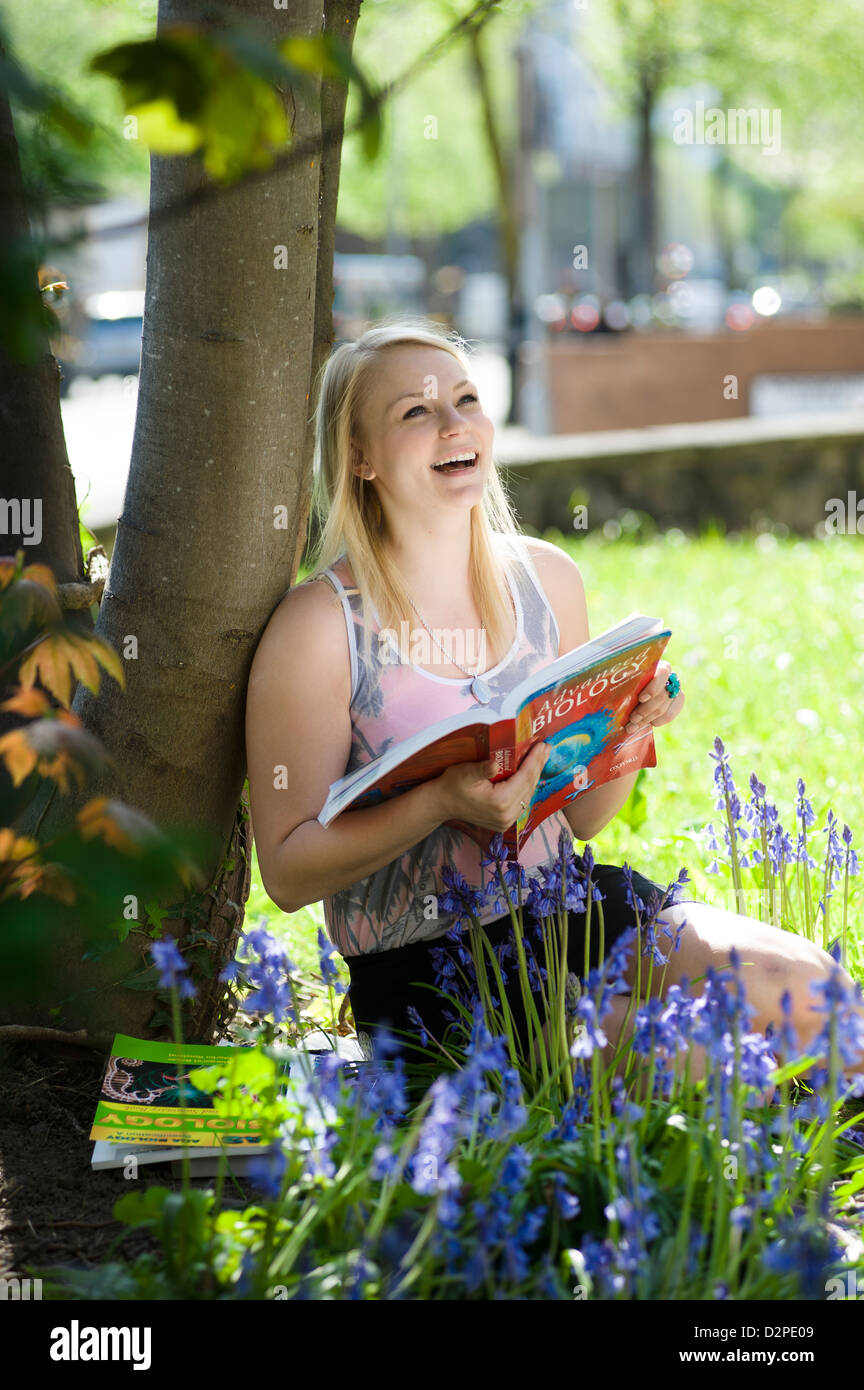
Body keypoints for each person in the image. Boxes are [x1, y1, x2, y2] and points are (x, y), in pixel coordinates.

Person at [245, 316, 853, 1077]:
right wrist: (438, 802)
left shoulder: (546, 579)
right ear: (359, 456)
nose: (453, 423)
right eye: (416, 411)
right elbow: (289, 874)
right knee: (713, 1059)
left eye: (465, 399)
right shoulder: (318, 627)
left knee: (816, 993)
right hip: (432, 966)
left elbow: (586, 819)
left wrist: (628, 729)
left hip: (566, 906)